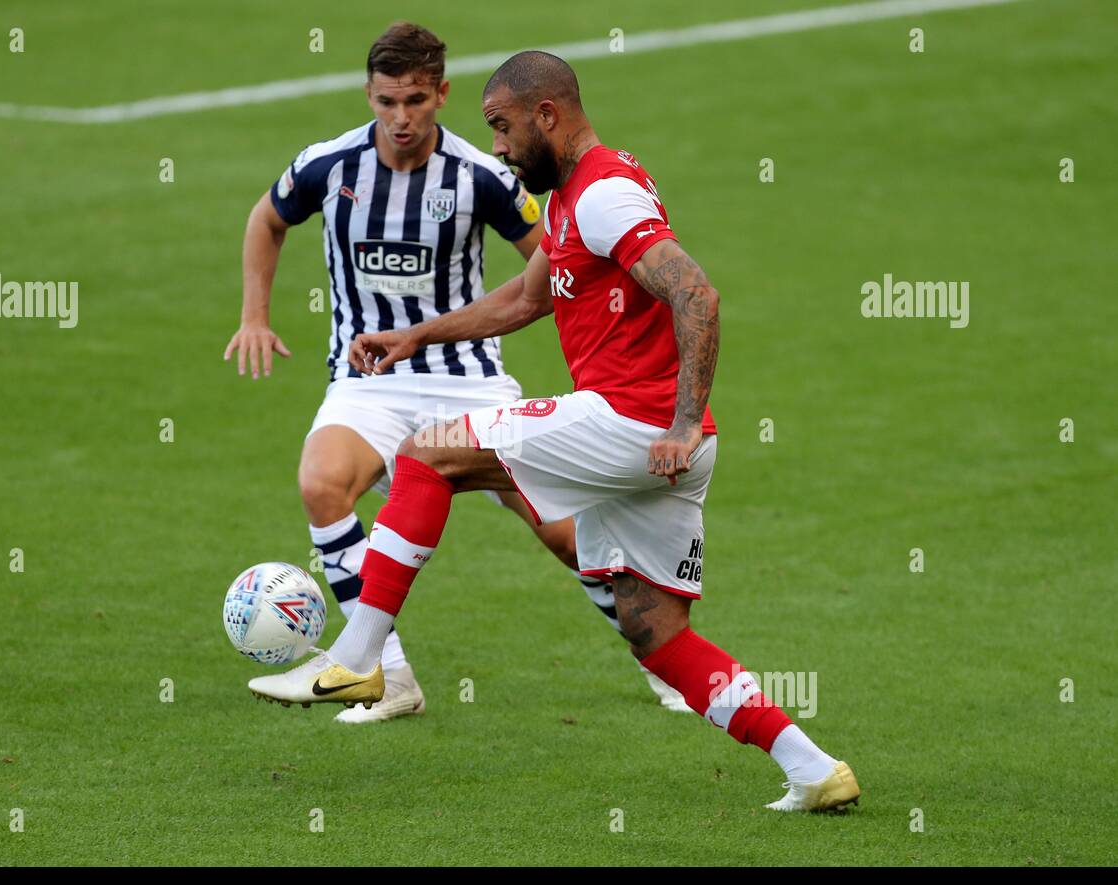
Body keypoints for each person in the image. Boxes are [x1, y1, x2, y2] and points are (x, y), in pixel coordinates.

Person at [248, 50, 859, 812]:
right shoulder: (573, 192)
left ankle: (360, 657)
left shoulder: (602, 194)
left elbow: (696, 292)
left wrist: (677, 421)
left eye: (503, 128)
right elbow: (522, 302)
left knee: (428, 456)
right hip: (664, 443)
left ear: (547, 115)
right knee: (655, 633)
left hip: (637, 422)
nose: (498, 148)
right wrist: (418, 337)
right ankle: (813, 769)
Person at [227, 24, 688, 722]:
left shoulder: (484, 176)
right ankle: (384, 673)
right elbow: (267, 220)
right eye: (386, 101)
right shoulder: (330, 165)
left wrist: (604, 355)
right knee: (322, 483)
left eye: (415, 100)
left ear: (441, 94)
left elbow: (558, 265)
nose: (401, 117)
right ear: (368, 95)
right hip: (370, 379)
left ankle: (662, 660)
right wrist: (254, 316)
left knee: (567, 535)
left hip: (466, 378)